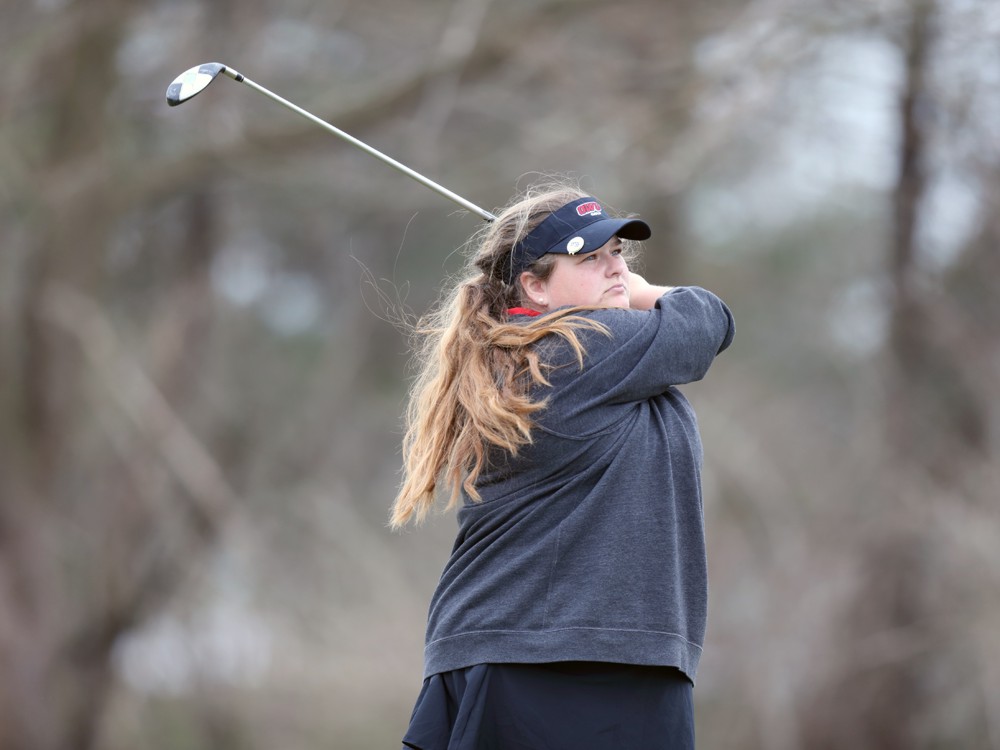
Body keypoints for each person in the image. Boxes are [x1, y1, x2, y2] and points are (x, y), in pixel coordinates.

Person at [391, 180, 735, 750]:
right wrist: (650, 292)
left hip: (558, 653)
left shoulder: (555, 356)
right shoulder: (576, 350)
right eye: (589, 257)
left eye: (618, 254)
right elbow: (708, 320)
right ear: (534, 286)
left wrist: (624, 286)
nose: (615, 269)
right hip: (553, 664)